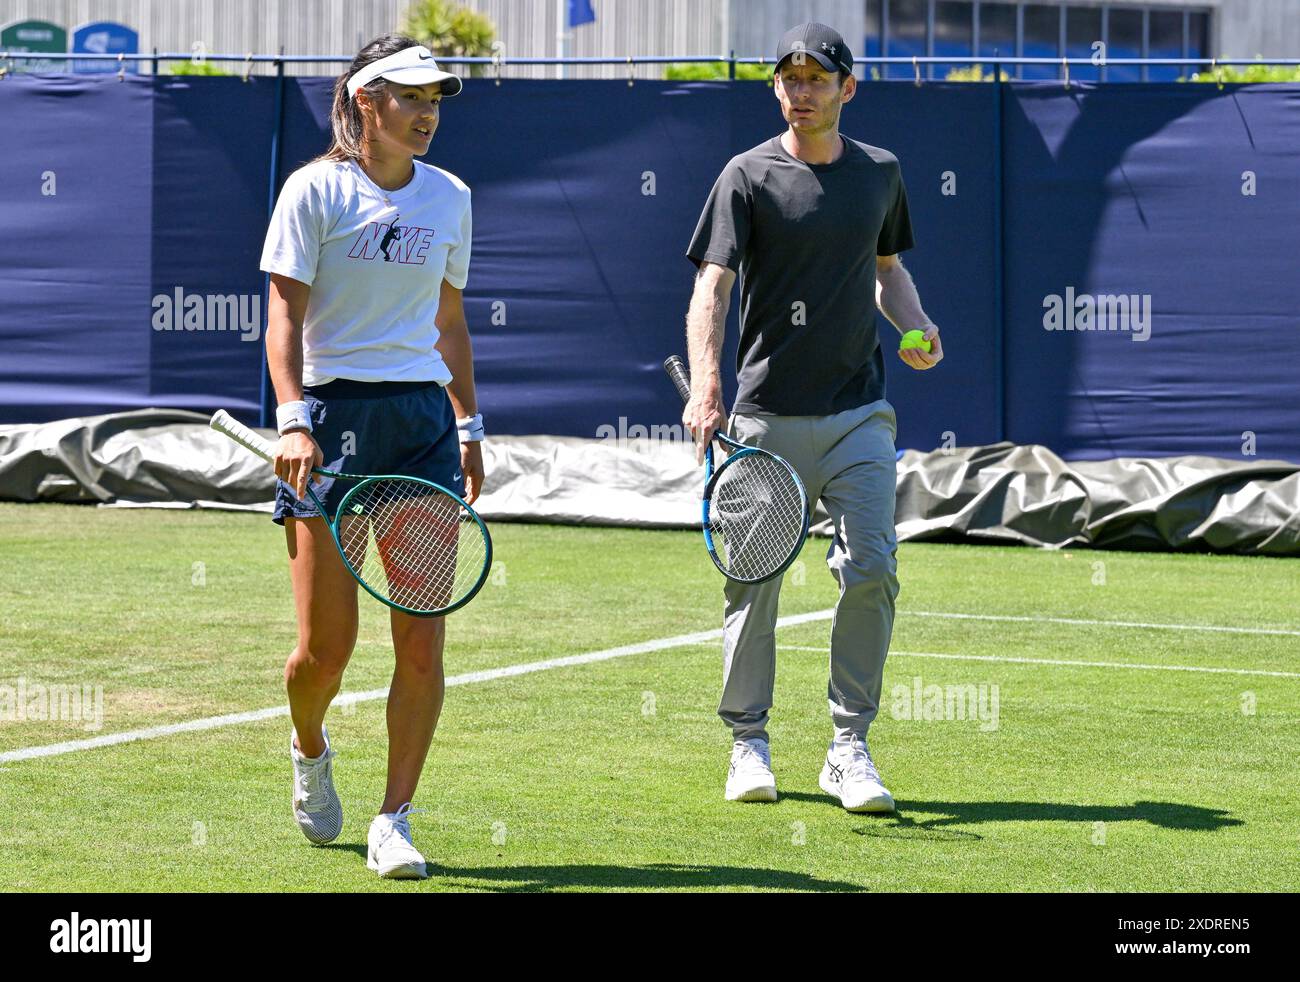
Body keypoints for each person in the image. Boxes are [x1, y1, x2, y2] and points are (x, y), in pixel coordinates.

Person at [682, 23, 943, 812]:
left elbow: (887, 272)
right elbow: (713, 290)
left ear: (846, 89)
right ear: (777, 89)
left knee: (873, 569)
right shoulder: (744, 175)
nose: (802, 91)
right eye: (789, 79)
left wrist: (916, 325)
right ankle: (748, 744)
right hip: (765, 420)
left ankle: (848, 746)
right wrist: (705, 386)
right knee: (752, 583)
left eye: (817, 79)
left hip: (860, 412)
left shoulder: (881, 175)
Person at [259, 34, 484, 878]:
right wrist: (291, 420)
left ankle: (396, 816)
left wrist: (468, 425)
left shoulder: (452, 197)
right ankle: (309, 744)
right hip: (328, 421)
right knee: (325, 651)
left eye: (435, 101)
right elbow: (283, 317)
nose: (427, 114)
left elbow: (450, 323)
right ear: (363, 103)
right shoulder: (313, 190)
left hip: (420, 421)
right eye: (410, 97)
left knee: (422, 644)